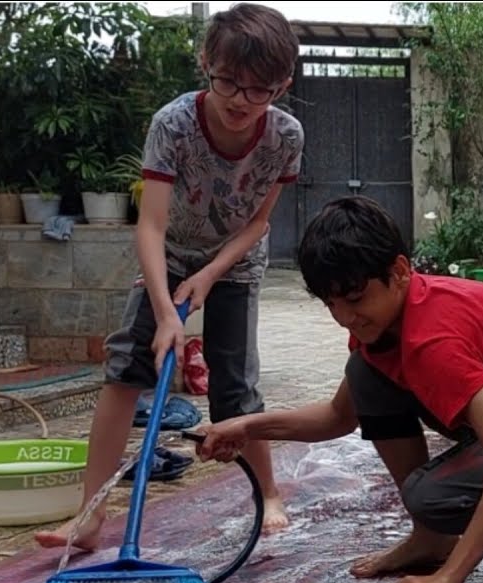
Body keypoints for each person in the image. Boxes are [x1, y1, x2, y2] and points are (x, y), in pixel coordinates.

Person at [195, 195, 483, 583]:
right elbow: (339, 416)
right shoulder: (385, 322)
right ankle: (431, 537)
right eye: (331, 305)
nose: (345, 318)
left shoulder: (434, 340)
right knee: (365, 373)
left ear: (398, 272)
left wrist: (447, 580)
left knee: (433, 497)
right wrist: (246, 426)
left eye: (355, 299)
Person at [35, 3, 304, 551]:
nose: (240, 100)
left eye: (259, 90)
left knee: (236, 389)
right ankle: (89, 516)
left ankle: (269, 493)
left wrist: (210, 275)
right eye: (227, 81)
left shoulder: (285, 136)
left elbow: (258, 224)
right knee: (125, 371)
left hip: (234, 262)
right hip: (170, 253)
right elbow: (151, 226)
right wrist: (165, 312)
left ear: (283, 86)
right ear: (206, 63)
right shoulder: (174, 124)